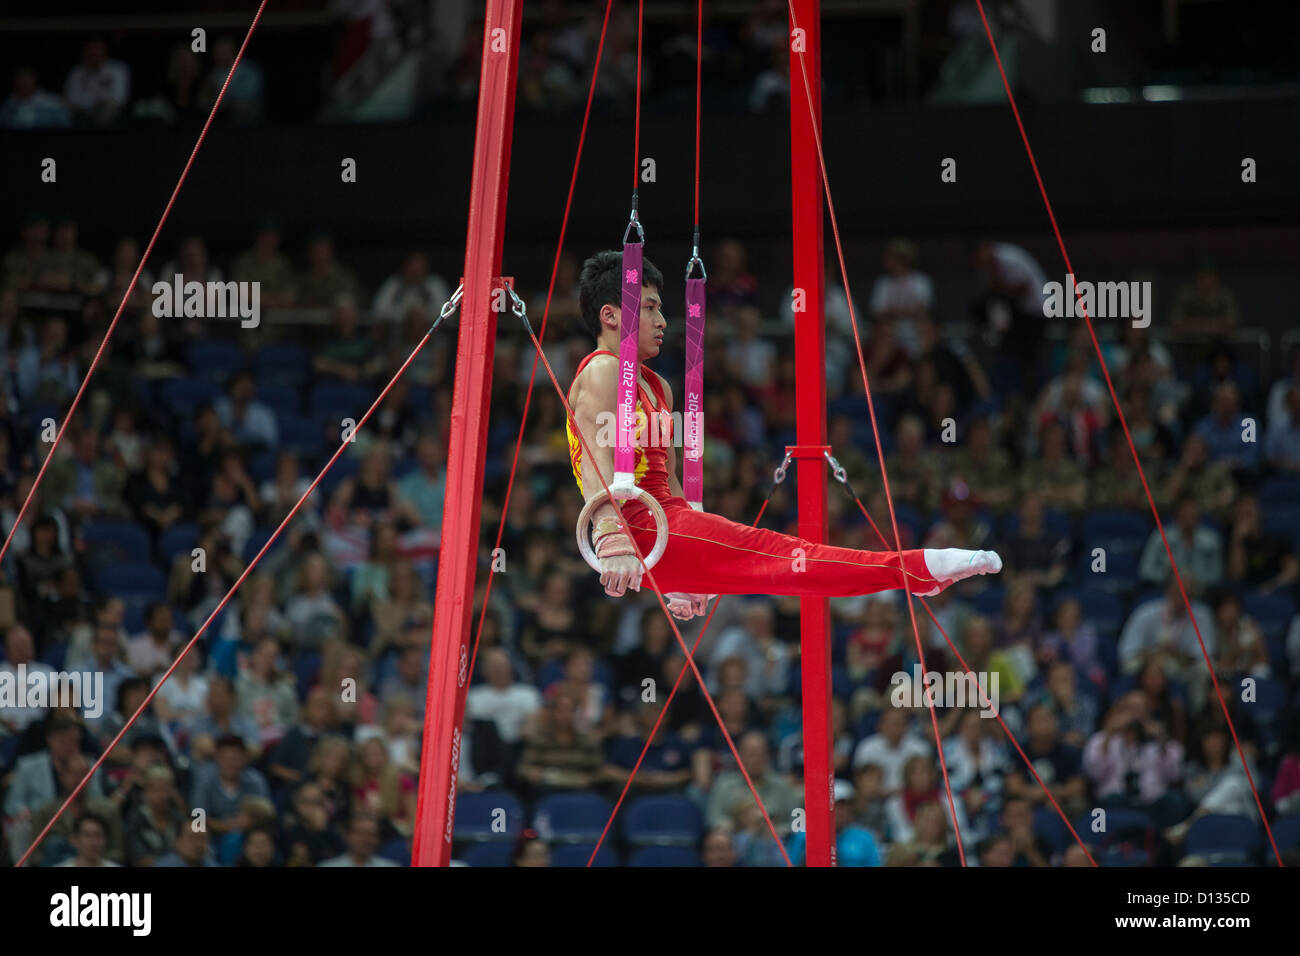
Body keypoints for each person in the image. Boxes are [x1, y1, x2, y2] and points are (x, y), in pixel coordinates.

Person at [565, 251, 1002, 618]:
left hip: (666, 529)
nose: (662, 319)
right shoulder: (602, 371)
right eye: (649, 307)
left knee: (786, 564)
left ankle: (912, 574)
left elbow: (672, 484)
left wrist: (687, 573)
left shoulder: (659, 386)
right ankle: (915, 569)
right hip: (631, 528)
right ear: (610, 315)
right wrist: (610, 537)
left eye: (660, 307)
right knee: (781, 556)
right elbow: (594, 464)